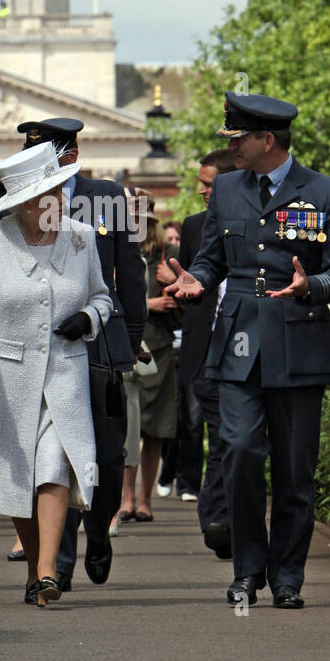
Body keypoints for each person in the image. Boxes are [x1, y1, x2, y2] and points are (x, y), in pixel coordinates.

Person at [167, 93, 330, 608]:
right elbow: (211, 259)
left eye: (239, 139)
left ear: (266, 141)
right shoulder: (227, 190)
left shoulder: (323, 191)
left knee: (296, 470)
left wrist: (310, 285)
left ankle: (288, 577)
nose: (231, 149)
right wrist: (196, 281)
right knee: (241, 453)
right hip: (236, 346)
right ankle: (248, 570)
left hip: (299, 345)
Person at [0, 141, 112, 607]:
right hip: (6, 377)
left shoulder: (82, 238)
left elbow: (103, 296)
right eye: (49, 195)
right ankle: (34, 569)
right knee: (17, 475)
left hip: (65, 375)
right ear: (24, 204)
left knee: (53, 466)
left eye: (60, 192)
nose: (59, 201)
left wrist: (89, 317)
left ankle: (47, 571)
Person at [16, 118, 146, 591]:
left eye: (47, 156)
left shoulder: (108, 196)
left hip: (102, 341)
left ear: (70, 155)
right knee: (57, 449)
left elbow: (129, 274)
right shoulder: (18, 201)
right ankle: (58, 563)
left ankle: (100, 528)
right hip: (46, 345)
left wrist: (130, 342)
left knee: (108, 454)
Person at [178, 148, 241, 557]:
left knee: (237, 441)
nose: (201, 191)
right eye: (199, 183)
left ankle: (227, 519)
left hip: (247, 350)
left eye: (207, 183)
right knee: (220, 436)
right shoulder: (193, 226)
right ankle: (217, 519)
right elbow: (191, 286)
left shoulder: (255, 224)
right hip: (205, 353)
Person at [132, 197, 181, 521]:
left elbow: (192, 298)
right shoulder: (114, 253)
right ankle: (125, 499)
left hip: (159, 348)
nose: (137, 225)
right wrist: (148, 305)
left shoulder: (167, 256)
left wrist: (173, 283)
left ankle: (144, 500)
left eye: (143, 219)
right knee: (125, 427)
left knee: (153, 429)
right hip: (125, 347)